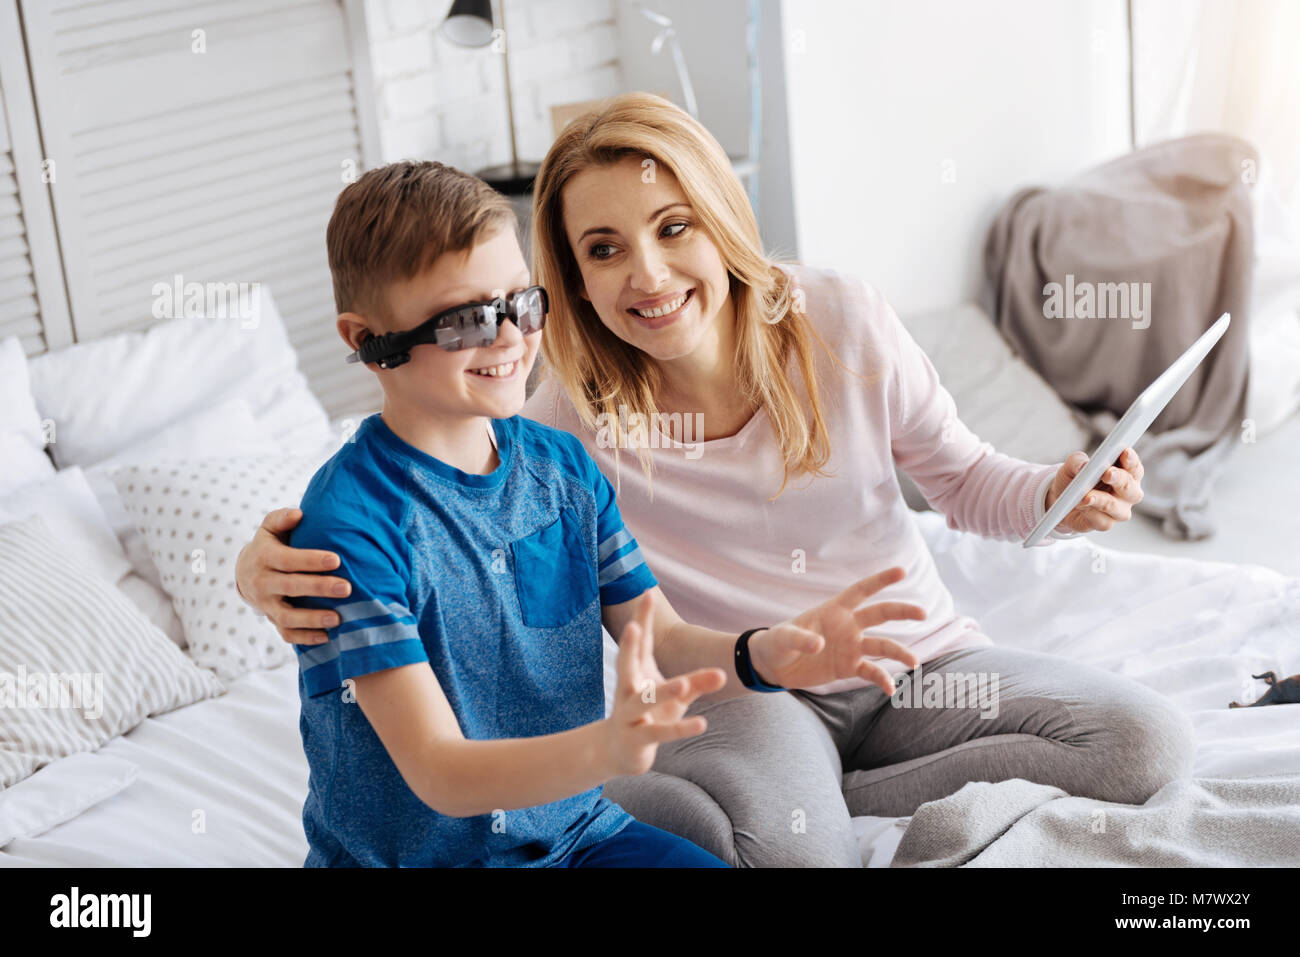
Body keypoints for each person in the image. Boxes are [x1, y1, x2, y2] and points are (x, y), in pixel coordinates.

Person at [237, 94, 1195, 867]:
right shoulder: (567, 410)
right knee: (792, 854)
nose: (646, 276)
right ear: (571, 277)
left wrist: (1059, 496)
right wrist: (258, 565)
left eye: (672, 226)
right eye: (602, 249)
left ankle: (817, 791)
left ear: (720, 218)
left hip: (906, 662)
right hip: (744, 691)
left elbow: (965, 479)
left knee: (1139, 744)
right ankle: (770, 797)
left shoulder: (840, 321)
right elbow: (432, 477)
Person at [279, 158, 928, 868]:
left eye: (521, 305)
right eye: (466, 320)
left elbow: (663, 636)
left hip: (575, 834)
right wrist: (606, 749)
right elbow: (438, 770)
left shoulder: (562, 469)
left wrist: (766, 651)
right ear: (365, 340)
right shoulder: (349, 526)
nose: (507, 340)